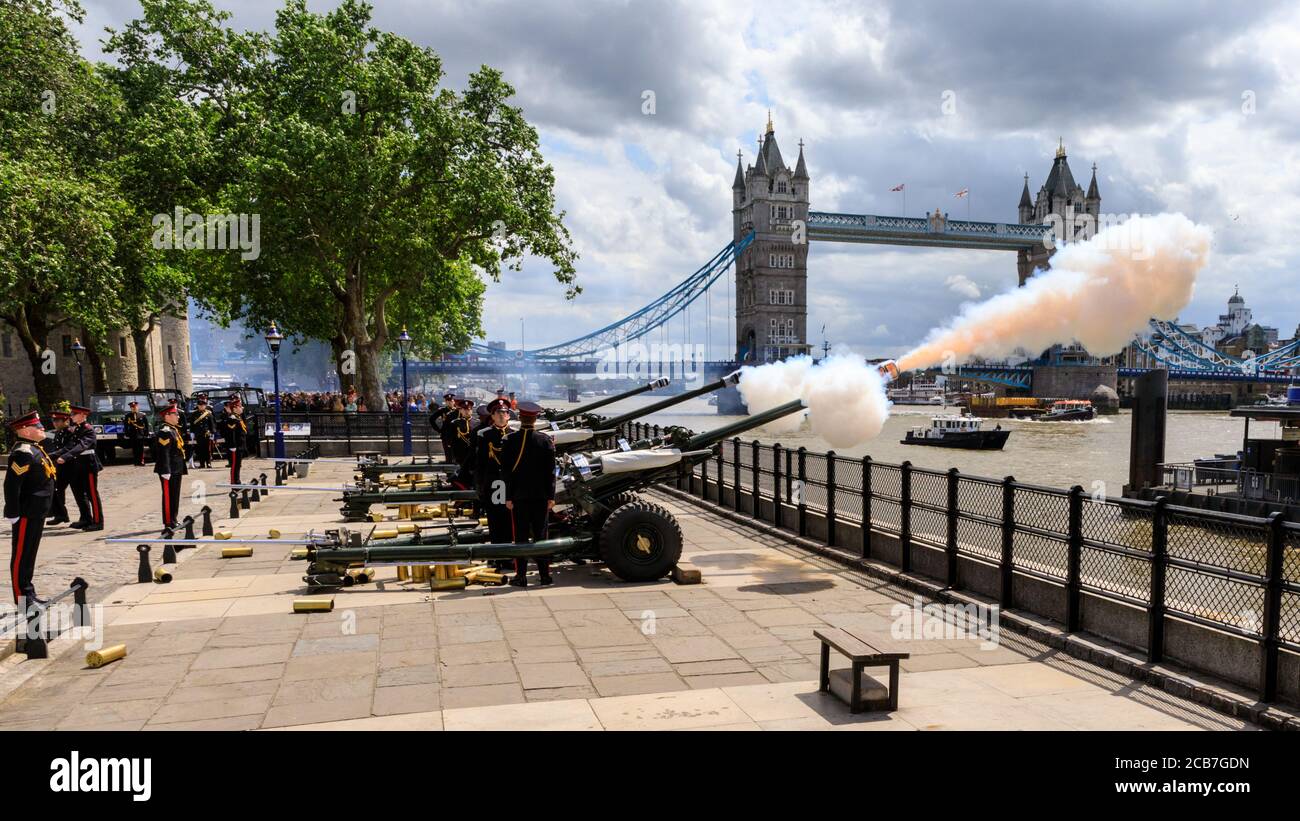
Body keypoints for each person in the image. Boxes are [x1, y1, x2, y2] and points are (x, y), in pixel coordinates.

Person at [5, 411, 57, 608]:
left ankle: (29, 593)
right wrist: (13, 512)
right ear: (25, 431)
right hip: (26, 512)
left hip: (37, 511)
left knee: (30, 554)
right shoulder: (23, 452)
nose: (42, 428)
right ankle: (23, 599)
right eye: (37, 426)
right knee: (22, 555)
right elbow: (12, 485)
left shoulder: (35, 449)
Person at [503, 401, 556, 587]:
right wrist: (551, 496)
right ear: (535, 418)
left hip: (519, 497)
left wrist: (508, 497)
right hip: (541, 497)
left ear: (520, 417)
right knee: (541, 536)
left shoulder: (510, 440)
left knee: (521, 537)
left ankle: (521, 576)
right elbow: (551, 472)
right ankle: (545, 576)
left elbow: (507, 473)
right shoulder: (545, 440)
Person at [474, 398, 515, 561]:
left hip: (510, 485)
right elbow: (480, 463)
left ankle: (510, 556)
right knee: (495, 520)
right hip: (494, 483)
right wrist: (479, 486)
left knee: (510, 520)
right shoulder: (485, 435)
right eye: (498, 413)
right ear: (492, 415)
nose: (501, 415)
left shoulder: (514, 435)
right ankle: (497, 555)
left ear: (509, 416)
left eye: (504, 412)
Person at [55, 405, 103, 531]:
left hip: (89, 465)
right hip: (78, 465)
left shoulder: (88, 429)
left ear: (82, 415)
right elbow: (70, 445)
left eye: (74, 414)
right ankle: (86, 519)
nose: (71, 417)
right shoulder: (77, 429)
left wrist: (66, 457)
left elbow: (82, 446)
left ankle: (98, 521)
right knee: (79, 494)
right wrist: (52, 455)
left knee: (92, 494)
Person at [153, 404, 187, 530]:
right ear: (167, 416)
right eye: (175, 414)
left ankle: (174, 518)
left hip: (176, 468)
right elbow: (164, 452)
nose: (178, 416)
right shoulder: (165, 431)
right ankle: (168, 521)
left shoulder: (173, 429)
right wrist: (165, 470)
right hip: (169, 469)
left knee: (175, 495)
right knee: (168, 495)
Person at [44, 411, 72, 526]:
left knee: (81, 494)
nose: (55, 423)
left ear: (65, 421)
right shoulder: (58, 433)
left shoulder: (70, 432)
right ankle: (61, 515)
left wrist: (51, 456)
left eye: (57, 421)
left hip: (71, 465)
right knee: (56, 490)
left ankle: (86, 517)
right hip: (60, 467)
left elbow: (67, 448)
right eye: (53, 421)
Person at [446, 397, 478, 490]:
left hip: (473, 455)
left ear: (471, 410)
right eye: (464, 409)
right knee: (463, 476)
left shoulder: (477, 423)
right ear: (461, 410)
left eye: (469, 409)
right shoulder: (455, 423)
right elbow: (451, 441)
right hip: (461, 455)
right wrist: (454, 456)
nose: (467, 411)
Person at [219, 396, 248, 486]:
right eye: (240, 406)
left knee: (238, 465)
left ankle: (237, 482)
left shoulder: (238, 417)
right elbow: (231, 434)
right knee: (235, 466)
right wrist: (232, 446)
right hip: (235, 447)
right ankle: (234, 483)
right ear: (235, 408)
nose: (242, 407)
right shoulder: (232, 418)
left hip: (239, 445)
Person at [189, 396, 216, 469]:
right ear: (198, 406)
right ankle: (202, 463)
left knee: (208, 449)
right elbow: (192, 424)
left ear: (205, 406)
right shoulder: (194, 414)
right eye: (200, 405)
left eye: (203, 405)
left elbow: (212, 424)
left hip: (207, 434)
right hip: (198, 434)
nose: (201, 406)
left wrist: (213, 432)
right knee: (200, 449)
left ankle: (209, 463)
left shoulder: (208, 414)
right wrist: (192, 432)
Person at [122, 400, 149, 466]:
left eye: (135, 407)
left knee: (141, 449)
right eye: (132, 407)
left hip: (140, 434)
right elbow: (126, 425)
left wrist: (146, 433)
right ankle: (136, 461)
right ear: (131, 408)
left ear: (137, 407)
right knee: (134, 449)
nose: (134, 408)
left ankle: (141, 461)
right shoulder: (128, 415)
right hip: (133, 434)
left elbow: (146, 425)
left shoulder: (142, 415)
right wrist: (127, 433)